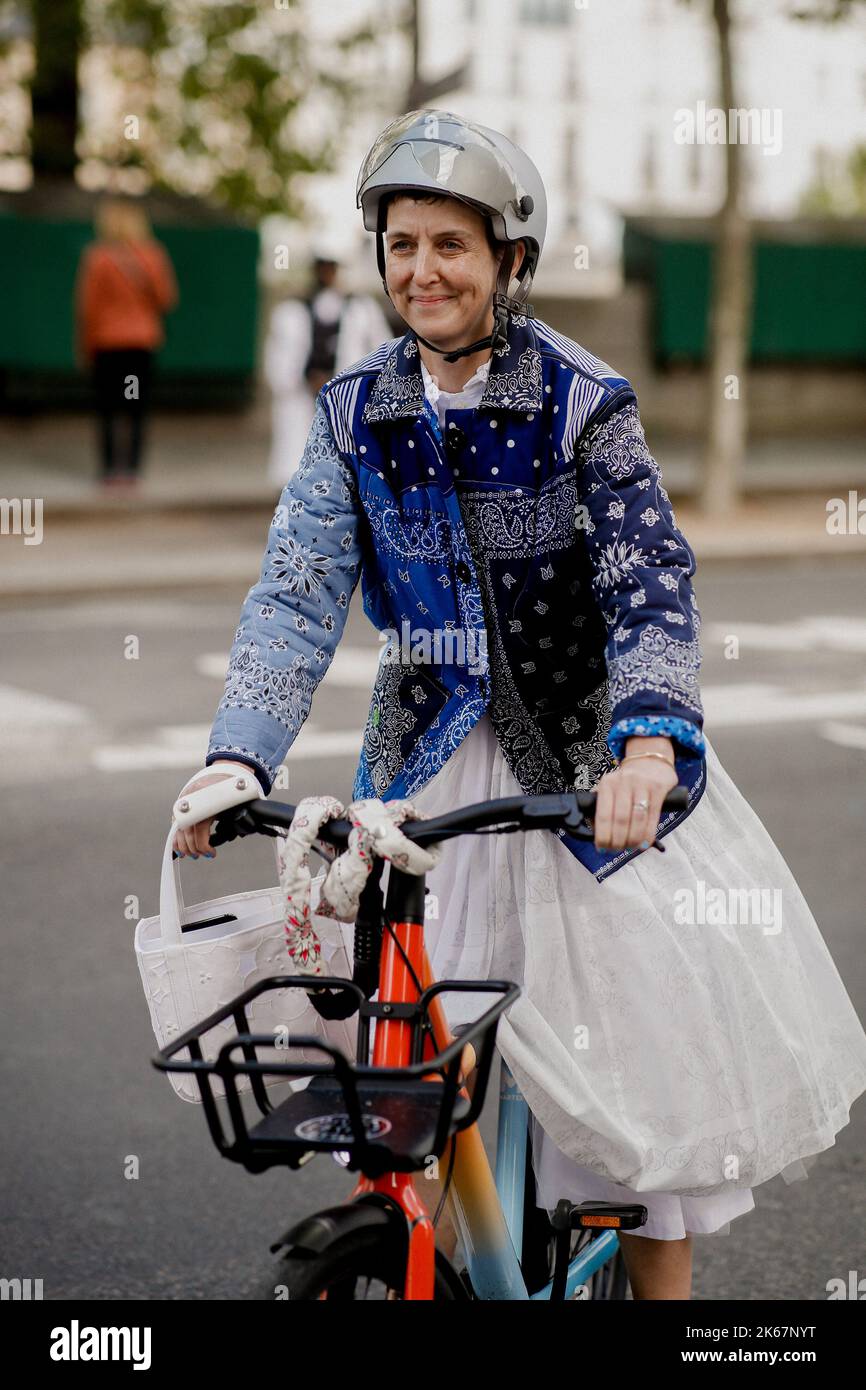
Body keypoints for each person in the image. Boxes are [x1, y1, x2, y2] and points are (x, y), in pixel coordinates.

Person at [170, 110, 866, 1300]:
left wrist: (649, 747)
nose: (420, 270)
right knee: (413, 1080)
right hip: (422, 769)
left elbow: (648, 582)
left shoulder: (581, 400)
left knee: (640, 1101)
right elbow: (295, 594)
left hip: (586, 775)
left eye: (450, 243)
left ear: (508, 262)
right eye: (400, 243)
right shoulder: (353, 414)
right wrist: (237, 757)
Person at [263, 249, 392, 486]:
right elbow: (279, 359)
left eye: (331, 268)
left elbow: (381, 352)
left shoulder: (361, 308)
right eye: (322, 268)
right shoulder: (292, 310)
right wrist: (302, 380)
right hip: (302, 396)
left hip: (348, 395)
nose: (326, 274)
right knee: (297, 458)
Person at [74, 196, 178, 489]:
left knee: (107, 406)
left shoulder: (98, 257)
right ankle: (132, 469)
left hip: (107, 344)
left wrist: (85, 346)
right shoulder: (153, 255)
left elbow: (87, 308)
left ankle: (109, 470)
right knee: (135, 405)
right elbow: (167, 299)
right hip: (140, 345)